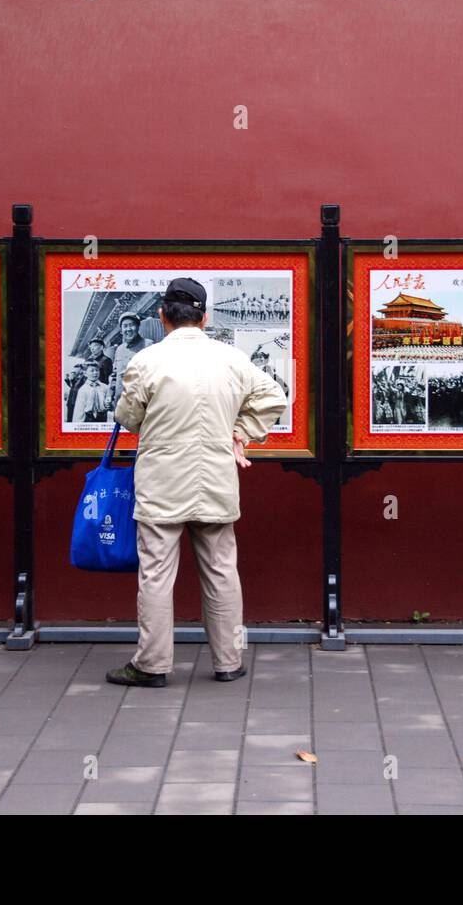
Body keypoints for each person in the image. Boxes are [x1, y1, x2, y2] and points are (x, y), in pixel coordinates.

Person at [106, 277, 287, 688]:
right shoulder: (232, 359)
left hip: (162, 482)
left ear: (161, 316)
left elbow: (128, 418)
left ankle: (151, 665)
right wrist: (242, 431)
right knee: (222, 569)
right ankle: (228, 661)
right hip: (217, 478)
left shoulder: (146, 361)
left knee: (156, 572)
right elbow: (274, 397)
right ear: (204, 318)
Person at [110, 311, 147, 409]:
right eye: (125, 326)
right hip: (120, 402)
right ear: (121, 330)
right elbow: (114, 375)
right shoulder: (119, 349)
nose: (128, 329)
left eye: (131, 325)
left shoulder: (148, 345)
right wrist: (109, 395)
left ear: (138, 327)